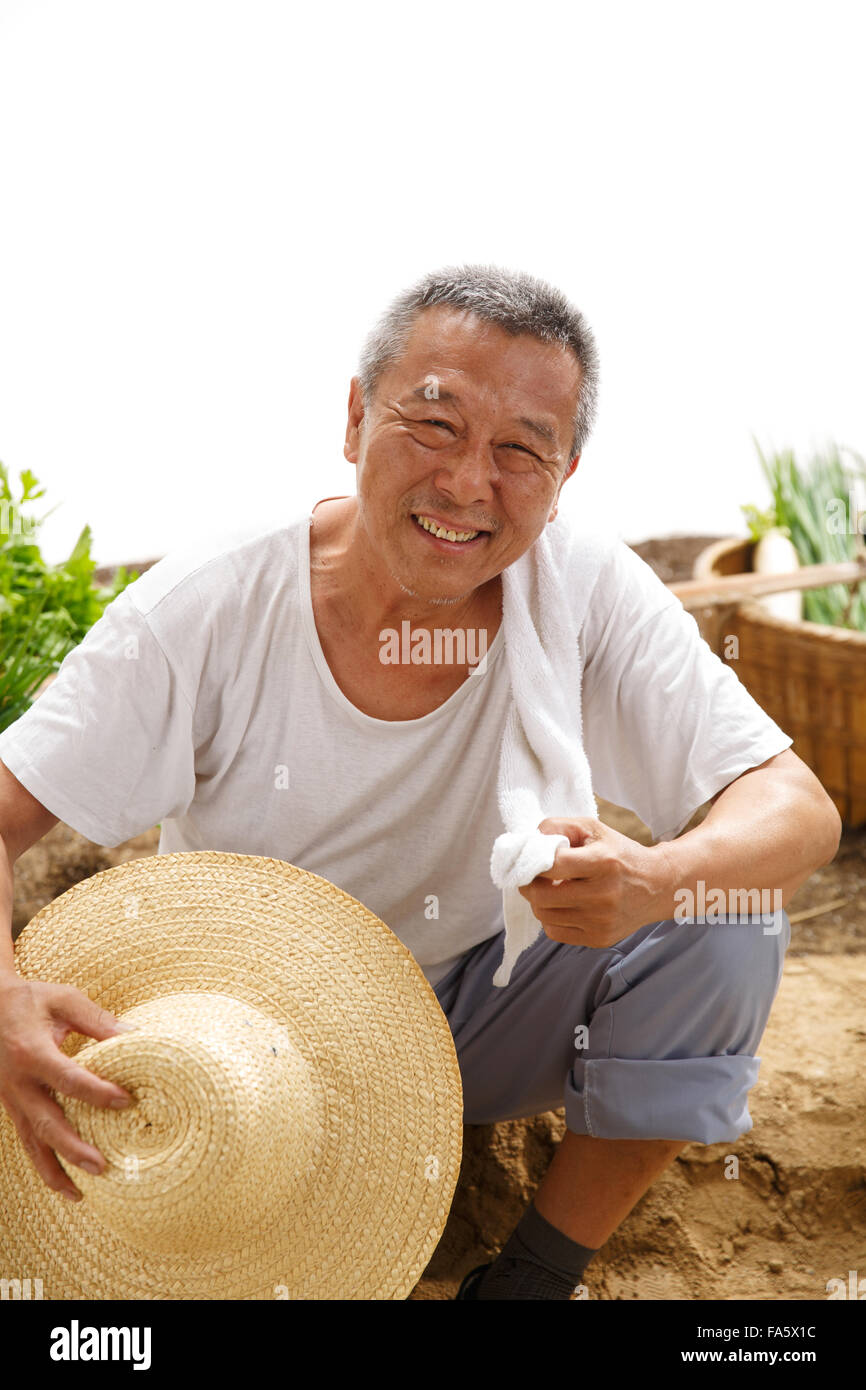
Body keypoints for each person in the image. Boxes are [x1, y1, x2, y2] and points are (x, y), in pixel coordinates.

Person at [0, 264, 842, 1301]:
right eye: (433, 426)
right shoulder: (212, 603)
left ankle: (530, 1276)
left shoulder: (580, 587)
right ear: (354, 418)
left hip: (477, 1014)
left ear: (565, 474)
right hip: (238, 1031)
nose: (463, 485)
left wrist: (658, 877)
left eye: (518, 451)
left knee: (729, 917)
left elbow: (796, 808)